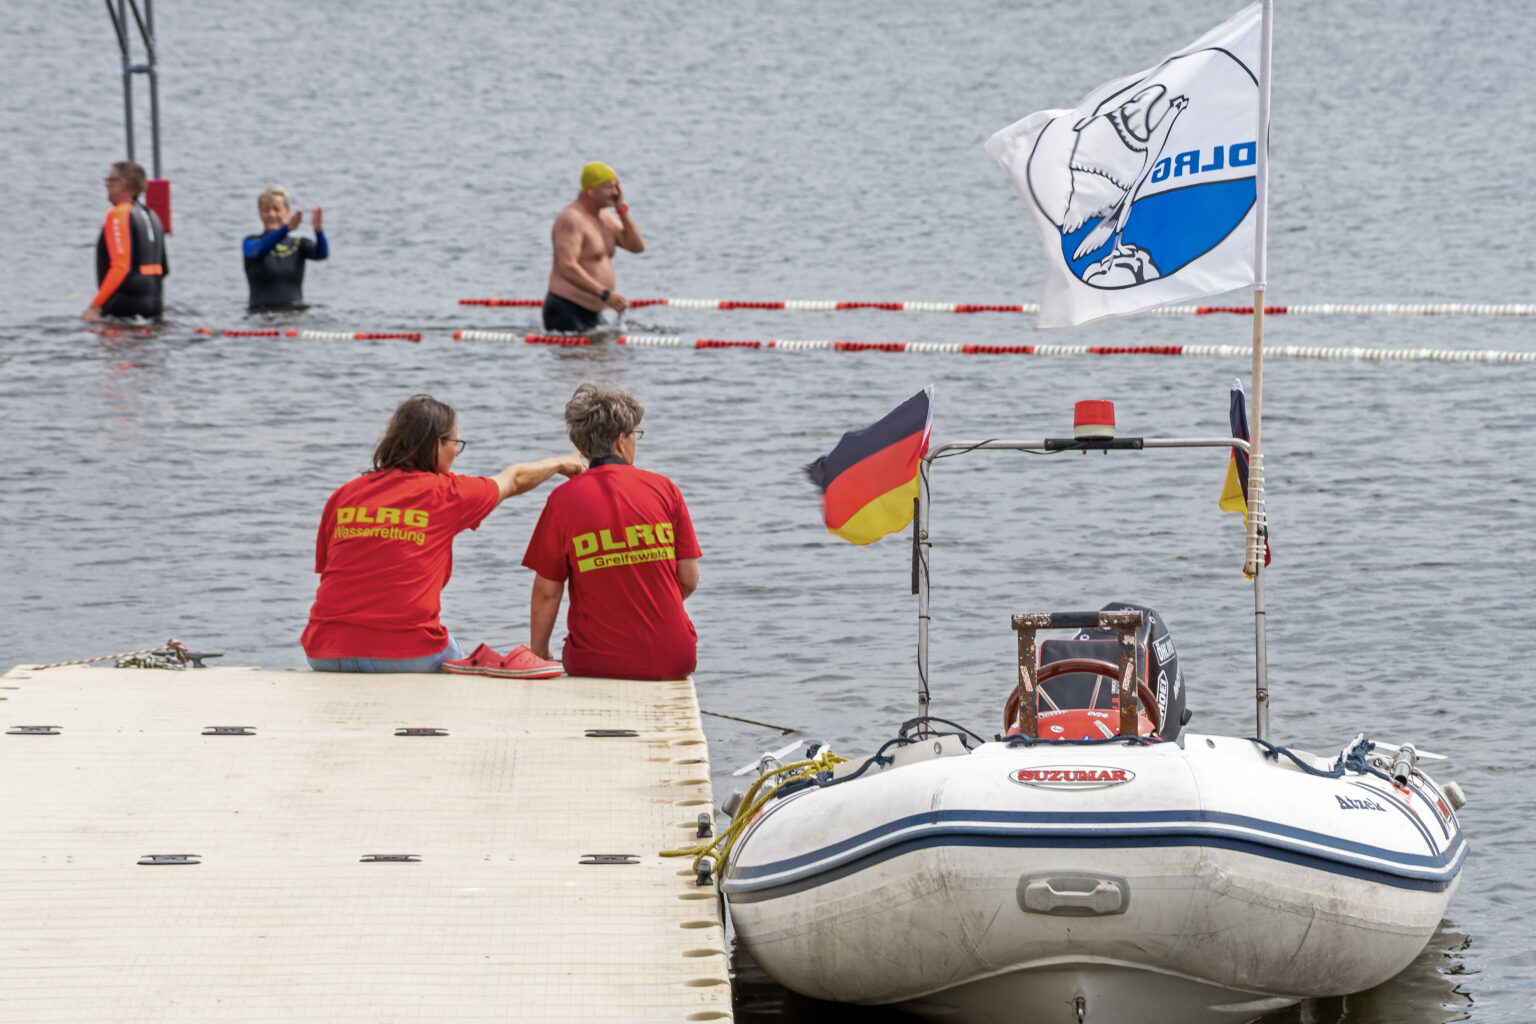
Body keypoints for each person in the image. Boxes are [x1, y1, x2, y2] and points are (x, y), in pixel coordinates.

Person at [302, 394, 585, 673]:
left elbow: (331, 572)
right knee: (454, 650)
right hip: (409, 654)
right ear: (437, 444)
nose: (456, 453)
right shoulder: (446, 493)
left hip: (324, 652)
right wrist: (560, 463)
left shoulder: (344, 495)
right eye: (455, 444)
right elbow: (514, 479)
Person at [523, 384, 700, 680]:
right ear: (621, 441)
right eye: (635, 435)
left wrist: (539, 653)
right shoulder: (665, 490)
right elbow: (689, 578)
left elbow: (546, 592)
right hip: (674, 658)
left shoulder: (562, 500)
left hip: (595, 661)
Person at [542, 162, 645, 332]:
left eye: (617, 187)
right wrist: (605, 294)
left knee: (604, 347)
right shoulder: (571, 219)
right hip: (567, 309)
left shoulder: (605, 217)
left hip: (594, 312)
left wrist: (621, 209)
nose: (615, 192)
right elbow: (566, 267)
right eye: (609, 188)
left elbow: (636, 247)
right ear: (590, 190)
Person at [82, 161, 168, 321]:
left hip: (123, 304)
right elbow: (164, 269)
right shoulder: (152, 215)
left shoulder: (118, 214)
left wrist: (95, 307)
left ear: (122, 184)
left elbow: (120, 267)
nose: (106, 185)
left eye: (109, 180)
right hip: (154, 303)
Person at [243, 185, 328, 310]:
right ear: (260, 214)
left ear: (287, 213)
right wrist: (286, 229)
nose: (271, 214)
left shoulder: (299, 244)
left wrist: (319, 231)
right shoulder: (251, 243)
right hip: (260, 315)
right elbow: (259, 249)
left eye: (276, 209)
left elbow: (322, 254)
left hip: (294, 315)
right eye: (266, 210)